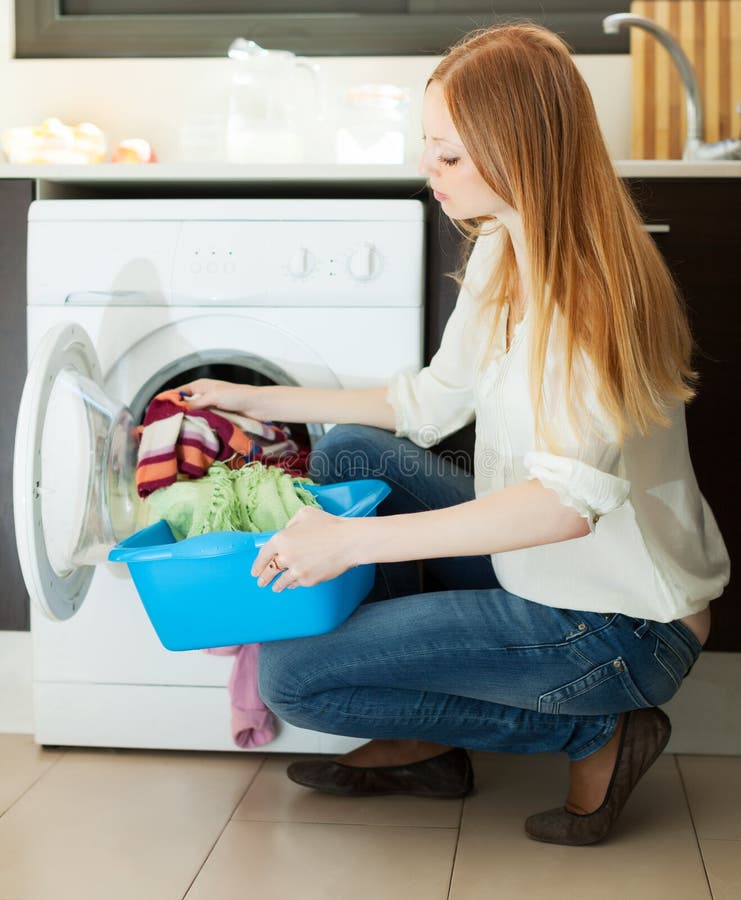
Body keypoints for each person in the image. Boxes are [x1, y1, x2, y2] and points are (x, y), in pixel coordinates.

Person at [179, 23, 729, 846]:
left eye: (448, 157)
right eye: (428, 149)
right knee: (346, 453)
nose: (427, 173)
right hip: (546, 566)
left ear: (520, 153)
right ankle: (428, 747)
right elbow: (435, 400)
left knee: (295, 679)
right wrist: (256, 397)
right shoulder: (507, 246)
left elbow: (563, 508)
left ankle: (599, 730)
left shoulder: (587, 301)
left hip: (620, 622)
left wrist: (350, 546)